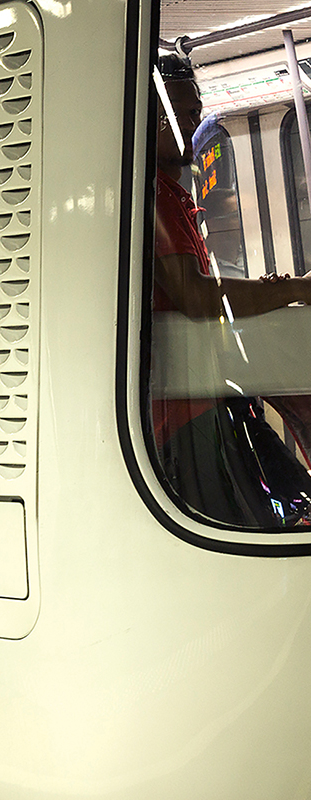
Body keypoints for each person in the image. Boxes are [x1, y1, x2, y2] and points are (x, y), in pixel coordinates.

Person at [151, 54, 311, 526]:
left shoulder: (171, 194)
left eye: (194, 112)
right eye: (175, 115)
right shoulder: (154, 197)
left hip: (205, 397)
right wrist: (295, 289)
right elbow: (197, 298)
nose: (190, 125)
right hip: (182, 413)